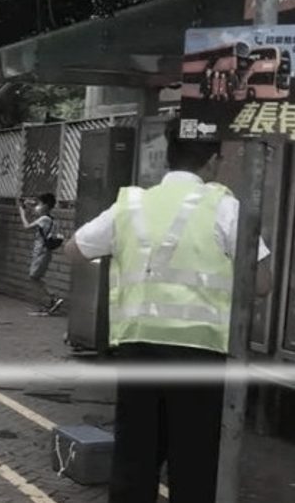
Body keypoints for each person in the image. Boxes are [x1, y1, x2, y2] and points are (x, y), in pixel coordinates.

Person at [64, 118, 271, 503]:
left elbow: (74, 250)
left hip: (139, 350)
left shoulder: (132, 204)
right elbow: (261, 284)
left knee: (134, 459)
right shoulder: (225, 207)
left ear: (168, 158)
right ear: (213, 160)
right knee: (194, 463)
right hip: (199, 354)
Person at [17, 192, 63, 314]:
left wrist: (22, 213)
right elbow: (35, 213)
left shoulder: (44, 219)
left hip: (42, 251)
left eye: (40, 204)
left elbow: (26, 226)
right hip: (43, 251)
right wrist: (28, 206)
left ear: (46, 206)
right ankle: (50, 300)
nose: (37, 206)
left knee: (34, 277)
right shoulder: (49, 219)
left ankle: (53, 298)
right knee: (35, 277)